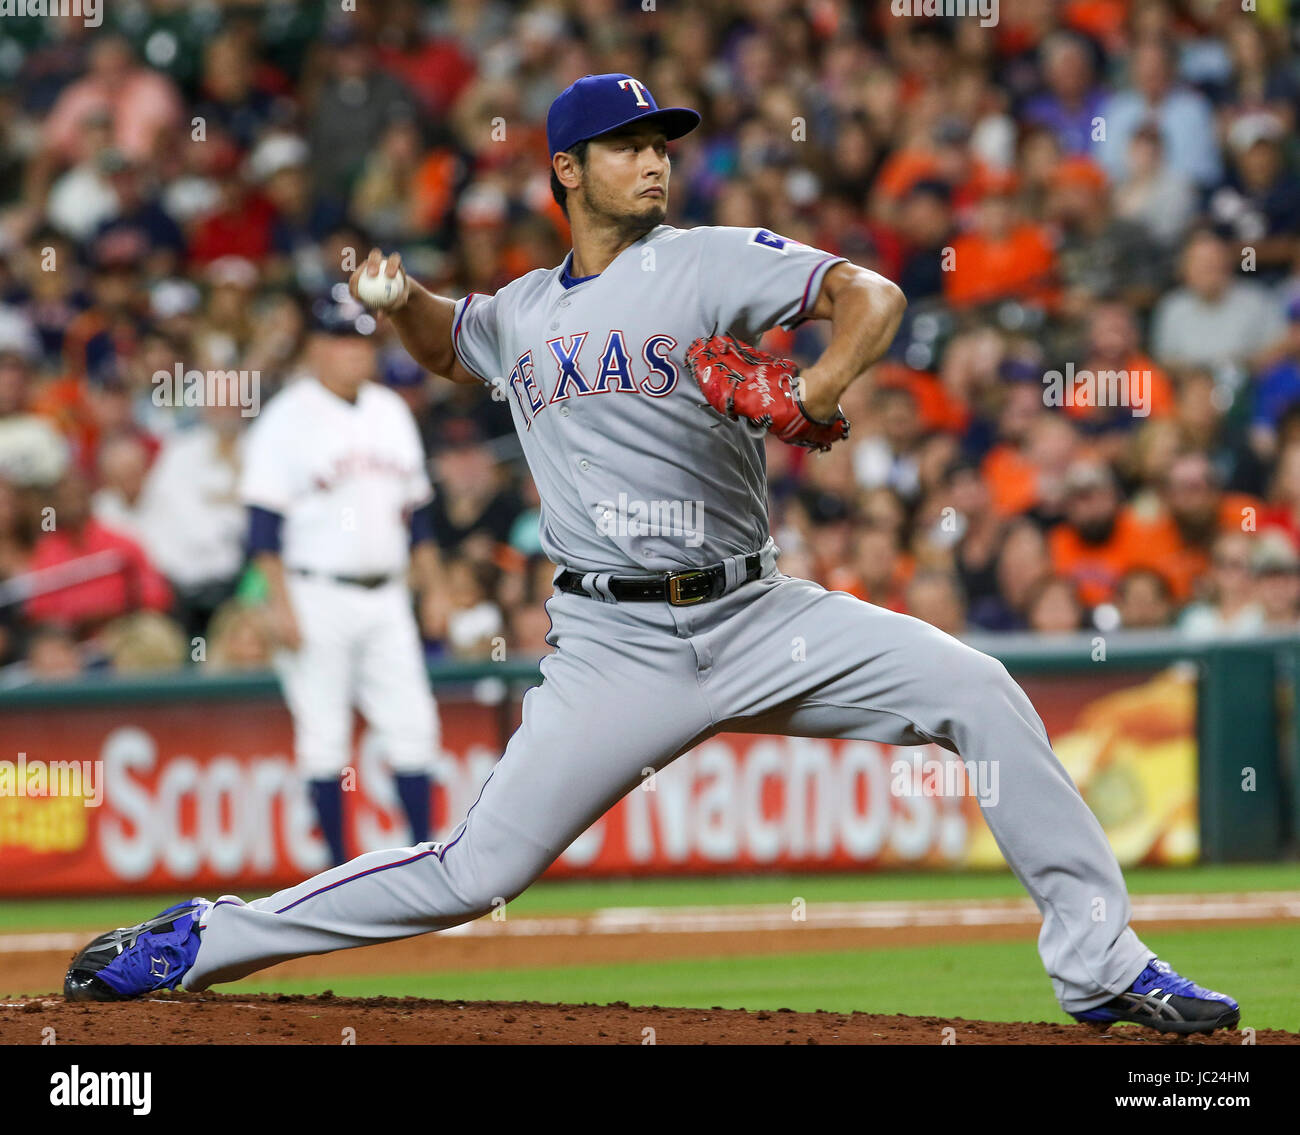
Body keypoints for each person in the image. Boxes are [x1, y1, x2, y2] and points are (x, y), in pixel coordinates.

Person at [64, 74, 1238, 1036]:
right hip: (611, 646)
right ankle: (206, 939)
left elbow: (866, 293)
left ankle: (1098, 961)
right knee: (474, 872)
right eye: (627, 145)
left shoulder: (711, 259)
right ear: (566, 170)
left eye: (662, 143)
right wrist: (398, 296)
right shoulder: (521, 310)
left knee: (978, 690)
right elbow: (448, 345)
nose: (655, 161)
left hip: (757, 612)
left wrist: (815, 384)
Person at [236, 290, 444, 867]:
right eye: (343, 342)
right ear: (317, 348)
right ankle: (333, 875)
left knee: (414, 727)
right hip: (314, 592)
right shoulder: (286, 418)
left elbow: (418, 513)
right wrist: (279, 605)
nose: (357, 354)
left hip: (388, 593)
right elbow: (261, 528)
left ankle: (426, 867)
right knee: (324, 738)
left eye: (362, 341)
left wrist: (436, 588)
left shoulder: (390, 410)